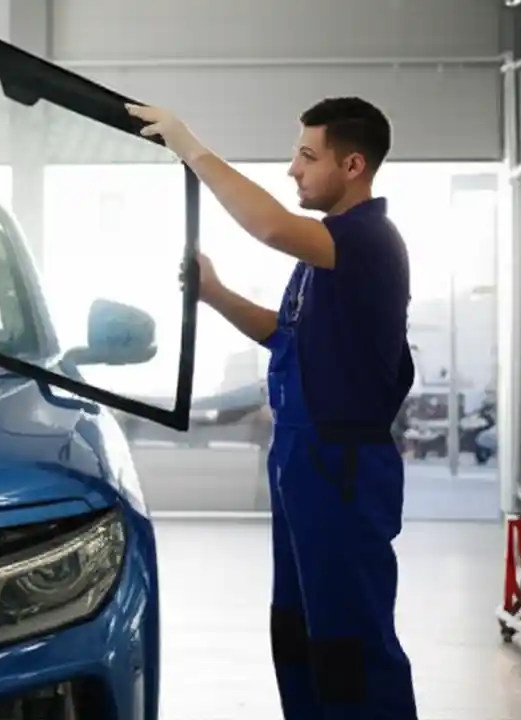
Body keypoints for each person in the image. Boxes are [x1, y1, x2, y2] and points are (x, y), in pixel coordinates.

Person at [125, 97, 418, 718]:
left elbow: (269, 225)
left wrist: (190, 147)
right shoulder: (324, 258)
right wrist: (215, 294)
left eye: (308, 156)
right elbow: (286, 335)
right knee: (299, 631)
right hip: (301, 463)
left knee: (349, 642)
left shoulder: (366, 240)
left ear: (354, 165)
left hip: (341, 469)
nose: (293, 169)